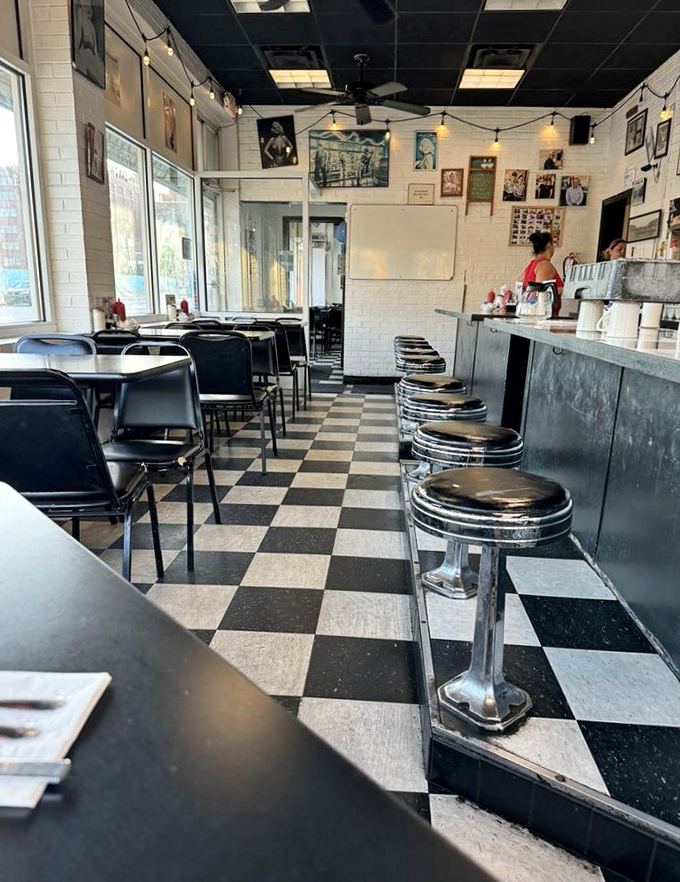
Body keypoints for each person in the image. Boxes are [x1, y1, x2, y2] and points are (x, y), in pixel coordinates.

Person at [520, 231, 564, 317]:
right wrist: (567, 289)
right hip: (544, 317)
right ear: (549, 245)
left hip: (534, 315)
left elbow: (520, 285)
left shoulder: (531, 265)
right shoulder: (545, 266)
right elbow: (542, 292)